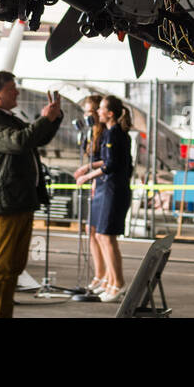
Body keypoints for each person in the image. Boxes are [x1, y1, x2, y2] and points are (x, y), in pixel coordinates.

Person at [0, 71, 61, 318]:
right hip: (7, 200)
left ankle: (3, 313)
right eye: (12, 88)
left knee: (14, 266)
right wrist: (45, 119)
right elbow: (20, 141)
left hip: (19, 199)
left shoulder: (7, 118)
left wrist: (52, 119)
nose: (17, 92)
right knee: (0, 266)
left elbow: (35, 137)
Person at [77, 95, 132, 303]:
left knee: (106, 236)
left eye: (99, 109)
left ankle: (117, 282)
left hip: (113, 189)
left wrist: (88, 175)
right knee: (101, 236)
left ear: (109, 113)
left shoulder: (115, 134)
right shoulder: (111, 133)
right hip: (108, 188)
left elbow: (112, 164)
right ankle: (109, 280)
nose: (97, 113)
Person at [72, 93, 105, 293]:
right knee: (91, 231)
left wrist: (89, 170)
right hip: (95, 183)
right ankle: (99, 274)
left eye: (89, 111)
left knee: (99, 232)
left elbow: (109, 161)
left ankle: (103, 275)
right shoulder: (90, 134)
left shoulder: (104, 134)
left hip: (102, 184)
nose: (86, 115)